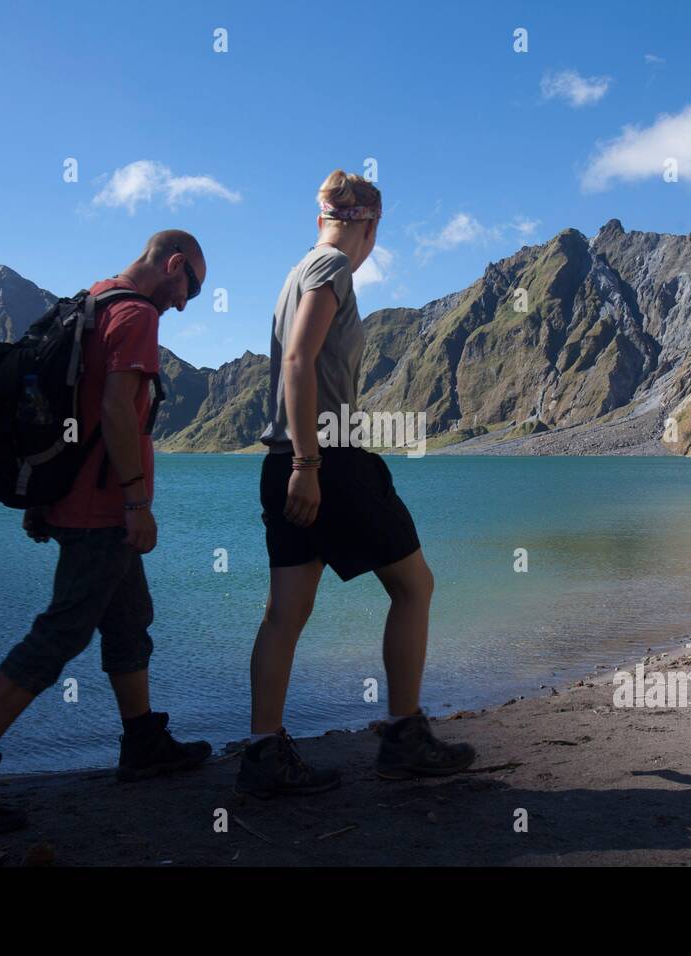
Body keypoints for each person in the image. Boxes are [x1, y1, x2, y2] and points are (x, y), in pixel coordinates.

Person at [0, 230, 212, 833]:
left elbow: (65, 407)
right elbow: (115, 413)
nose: (184, 303)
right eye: (191, 288)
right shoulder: (136, 315)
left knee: (129, 619)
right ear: (174, 264)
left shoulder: (92, 301)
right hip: (104, 509)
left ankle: (142, 742)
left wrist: (43, 496)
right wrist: (136, 503)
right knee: (59, 634)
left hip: (77, 500)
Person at [237, 171, 476, 797]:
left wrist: (294, 463)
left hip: (284, 459)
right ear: (369, 227)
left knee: (285, 612)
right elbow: (298, 359)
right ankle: (404, 737)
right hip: (327, 461)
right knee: (414, 585)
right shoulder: (332, 267)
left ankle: (263, 753)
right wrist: (309, 466)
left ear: (321, 218)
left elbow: (296, 360)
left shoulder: (298, 271)